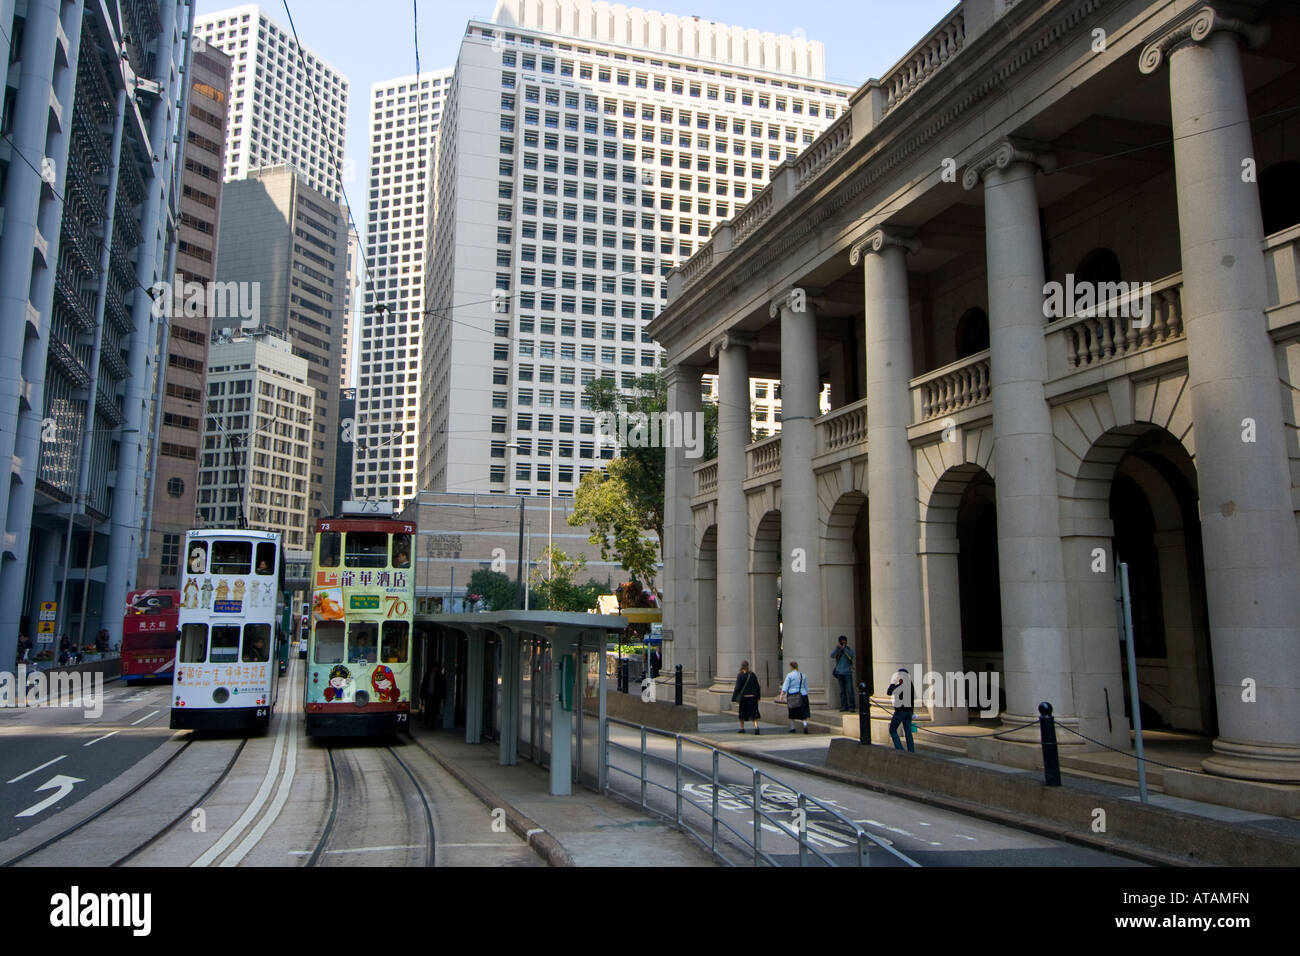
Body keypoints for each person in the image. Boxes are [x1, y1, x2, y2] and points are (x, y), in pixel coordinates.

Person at [886, 668, 916, 752]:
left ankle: (900, 749)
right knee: (908, 732)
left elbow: (889, 692)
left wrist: (892, 682)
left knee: (892, 730)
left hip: (900, 712)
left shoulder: (900, 685)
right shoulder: (910, 685)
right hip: (909, 712)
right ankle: (911, 751)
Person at [730, 660, 761, 734]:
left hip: (744, 698)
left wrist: (734, 697)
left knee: (742, 712)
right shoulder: (752, 674)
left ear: (741, 666)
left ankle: (742, 728)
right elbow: (757, 686)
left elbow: (737, 687)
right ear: (748, 666)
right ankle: (756, 727)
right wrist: (758, 696)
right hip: (753, 697)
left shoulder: (740, 675)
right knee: (754, 713)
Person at [781, 661, 810, 734]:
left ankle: (792, 727)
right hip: (803, 695)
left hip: (792, 695)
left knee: (792, 711)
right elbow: (806, 687)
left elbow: (785, 686)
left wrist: (782, 695)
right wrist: (806, 693)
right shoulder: (802, 675)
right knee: (803, 712)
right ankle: (805, 724)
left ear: (791, 667)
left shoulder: (789, 675)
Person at [830, 635, 856, 712]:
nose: (843, 642)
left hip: (847, 672)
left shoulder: (848, 649)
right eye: (841, 641)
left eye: (844, 641)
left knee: (850, 690)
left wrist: (844, 648)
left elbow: (851, 656)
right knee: (842, 691)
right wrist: (837, 648)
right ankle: (844, 706)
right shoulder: (838, 650)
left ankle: (852, 706)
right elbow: (832, 655)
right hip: (839, 672)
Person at [421, 661, 446, 729]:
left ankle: (432, 725)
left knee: (434, 711)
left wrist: (443, 697)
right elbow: (424, 686)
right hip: (428, 695)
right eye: (434, 667)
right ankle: (426, 723)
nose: (435, 668)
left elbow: (443, 687)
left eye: (436, 667)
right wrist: (422, 695)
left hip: (436, 696)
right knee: (428, 710)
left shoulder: (440, 676)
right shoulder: (427, 675)